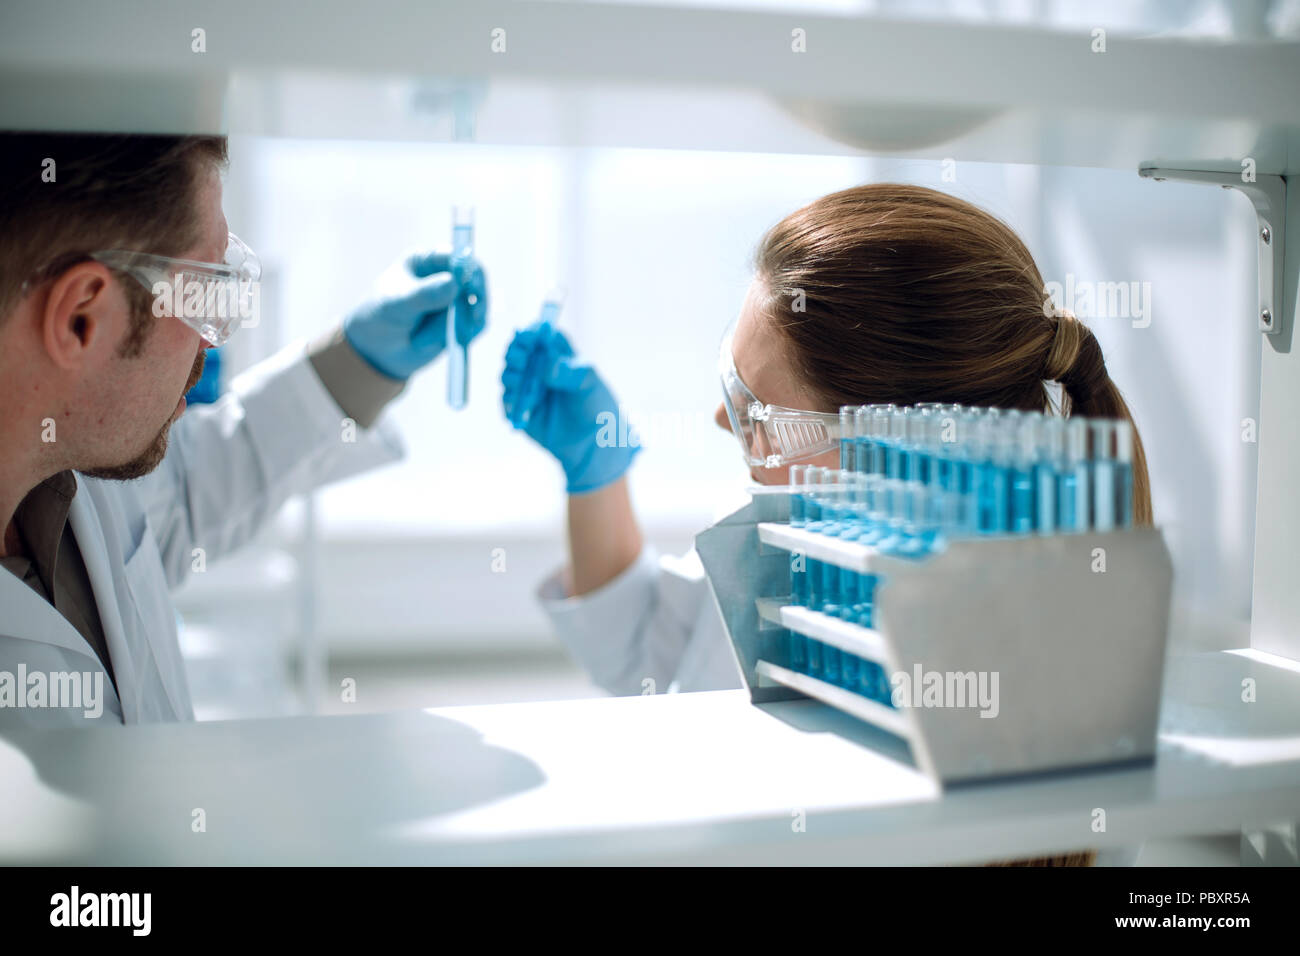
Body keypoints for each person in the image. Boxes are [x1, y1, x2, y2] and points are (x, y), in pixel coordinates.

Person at [502, 183, 1152, 866]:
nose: (722, 421)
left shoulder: (1008, 709)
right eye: (731, 377)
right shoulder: (793, 553)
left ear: (890, 448)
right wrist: (595, 475)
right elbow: (644, 657)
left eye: (756, 412)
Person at [0, 132, 487, 729]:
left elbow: (182, 497)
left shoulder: (68, 466)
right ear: (81, 319)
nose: (209, 340)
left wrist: (360, 364)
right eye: (202, 292)